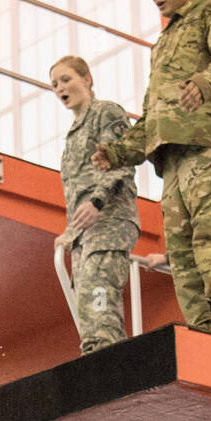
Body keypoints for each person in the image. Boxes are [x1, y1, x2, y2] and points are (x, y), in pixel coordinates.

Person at [92, 0, 211, 338]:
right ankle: (205, 336)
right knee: (183, 256)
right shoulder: (162, 44)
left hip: (210, 150)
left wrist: (204, 82)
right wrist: (117, 152)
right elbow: (153, 117)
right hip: (174, 163)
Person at [51, 56, 140, 354]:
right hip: (83, 235)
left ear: (86, 79)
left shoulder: (106, 112)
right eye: (54, 85)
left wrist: (97, 202)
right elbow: (76, 190)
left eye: (66, 79)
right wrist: (69, 232)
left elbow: (122, 162)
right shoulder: (73, 134)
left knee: (100, 305)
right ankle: (99, 372)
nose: (60, 88)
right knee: (87, 314)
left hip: (110, 222)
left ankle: (111, 373)